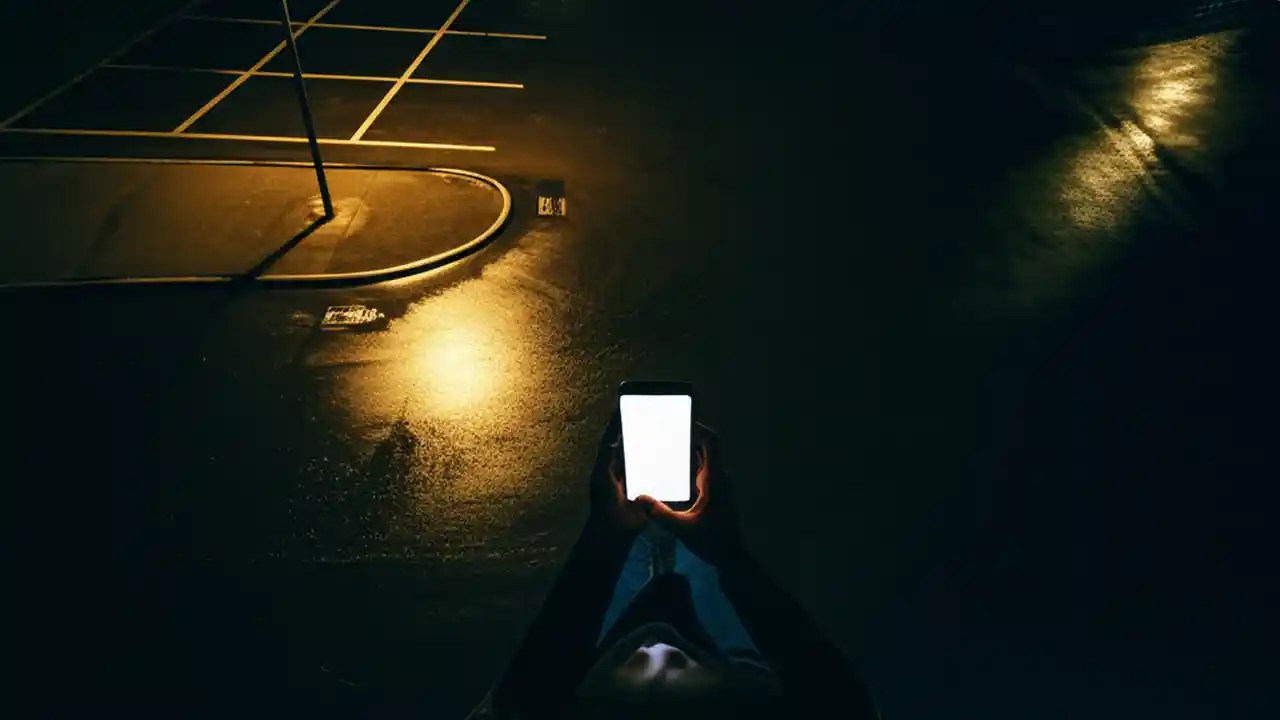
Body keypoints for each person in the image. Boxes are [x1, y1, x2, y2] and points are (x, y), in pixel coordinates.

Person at [468, 413, 879, 719]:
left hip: (604, 673)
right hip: (722, 679)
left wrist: (603, 543)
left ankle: (654, 529)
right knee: (687, 562)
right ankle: (660, 526)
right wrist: (728, 557)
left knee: (660, 550)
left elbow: (512, 708)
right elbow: (845, 704)